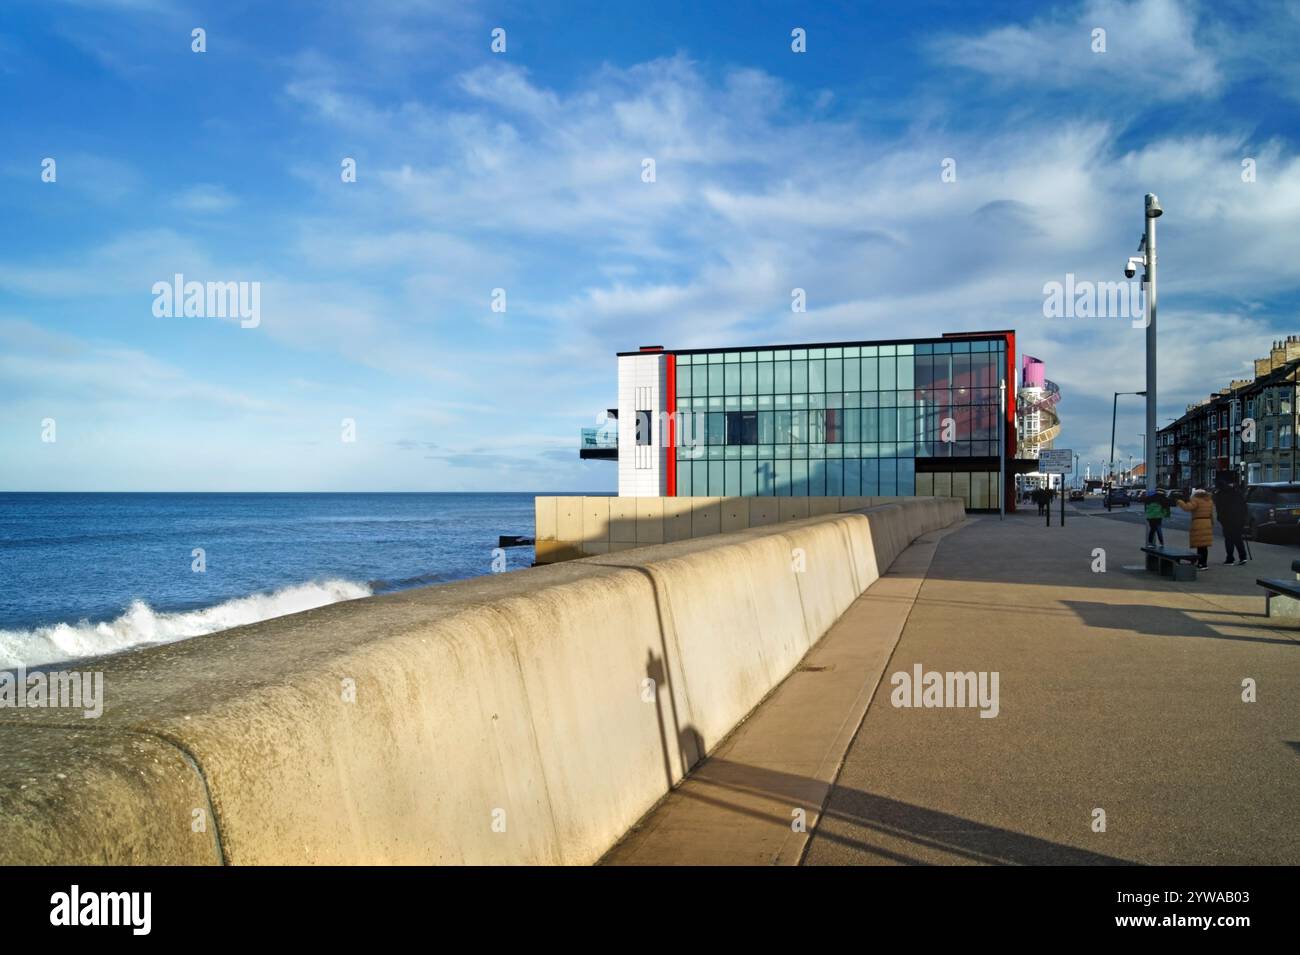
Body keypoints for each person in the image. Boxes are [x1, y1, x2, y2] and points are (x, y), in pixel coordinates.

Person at [1213, 474, 1249, 565]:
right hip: (1238, 519)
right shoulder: (1236, 493)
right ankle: (1243, 557)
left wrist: (1221, 519)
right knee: (1238, 538)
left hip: (1227, 520)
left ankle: (1230, 558)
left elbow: (1220, 509)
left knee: (1229, 539)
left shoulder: (1220, 495)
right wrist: (1243, 519)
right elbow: (1244, 506)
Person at [1176, 488, 1215, 570]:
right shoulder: (1209, 501)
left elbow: (1187, 507)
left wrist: (1180, 502)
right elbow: (1211, 513)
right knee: (1204, 546)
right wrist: (1212, 523)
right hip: (1207, 522)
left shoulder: (1196, 500)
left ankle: (1201, 564)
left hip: (1198, 523)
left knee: (1200, 545)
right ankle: (1204, 563)